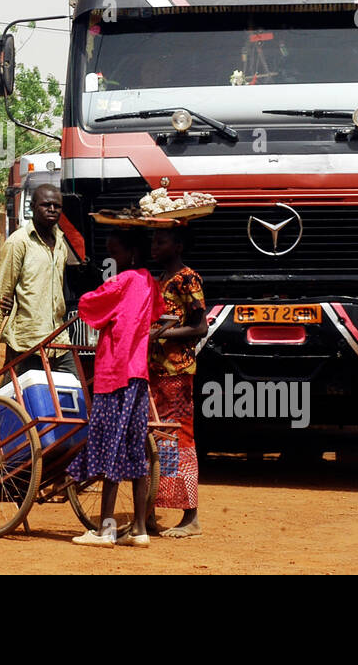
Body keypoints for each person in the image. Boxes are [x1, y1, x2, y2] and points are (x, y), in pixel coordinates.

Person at [67, 229, 164, 547]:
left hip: (115, 374)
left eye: (115, 252)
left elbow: (89, 305)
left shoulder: (123, 282)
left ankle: (105, 529)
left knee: (110, 445)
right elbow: (156, 312)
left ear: (131, 253)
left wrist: (91, 285)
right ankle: (139, 529)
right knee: (135, 449)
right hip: (138, 374)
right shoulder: (149, 281)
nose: (112, 258)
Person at [147, 224, 207, 539]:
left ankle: (191, 517)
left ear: (178, 246)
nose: (155, 246)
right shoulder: (160, 281)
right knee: (157, 439)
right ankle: (151, 510)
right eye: (154, 240)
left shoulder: (188, 279)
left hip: (178, 372)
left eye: (162, 240)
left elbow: (200, 328)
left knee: (181, 439)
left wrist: (161, 334)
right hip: (156, 371)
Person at [0, 184, 72, 378]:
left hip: (60, 343)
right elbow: (1, 293)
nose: (52, 209)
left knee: (71, 397)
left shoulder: (61, 243)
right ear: (32, 206)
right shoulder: (18, 242)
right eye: (46, 205)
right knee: (19, 402)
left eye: (57, 205)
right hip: (27, 343)